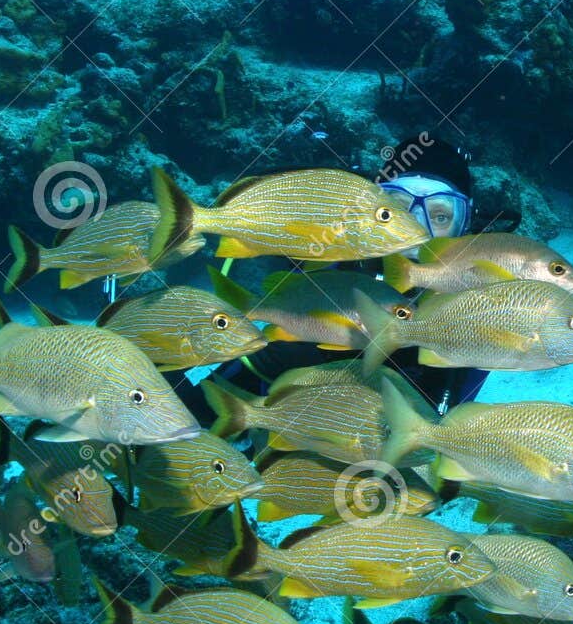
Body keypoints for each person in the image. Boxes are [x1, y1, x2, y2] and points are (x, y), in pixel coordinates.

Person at [183, 135, 500, 420]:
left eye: (441, 216)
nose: (417, 230)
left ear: (467, 226)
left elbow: (451, 418)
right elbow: (223, 395)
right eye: (398, 208)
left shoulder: (482, 312)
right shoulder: (335, 268)